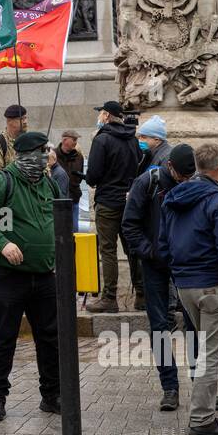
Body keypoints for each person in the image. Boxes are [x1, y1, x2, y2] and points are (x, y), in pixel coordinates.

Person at [0, 131, 59, 422]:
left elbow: (60, 216)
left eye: (47, 151)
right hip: (10, 276)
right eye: (41, 151)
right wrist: (1, 243)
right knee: (5, 336)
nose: (46, 157)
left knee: (49, 337)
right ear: (26, 155)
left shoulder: (49, 183)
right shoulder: (1, 182)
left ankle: (52, 394)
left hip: (45, 274)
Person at [158, 143, 218, 435]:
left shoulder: (173, 196)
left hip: (185, 285)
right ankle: (202, 419)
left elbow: (163, 244)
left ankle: (202, 411)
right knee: (209, 355)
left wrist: (179, 272)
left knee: (204, 351)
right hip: (214, 284)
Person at [123, 144, 197, 411]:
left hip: (186, 263)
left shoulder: (193, 181)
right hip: (154, 264)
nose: (185, 181)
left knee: (194, 323)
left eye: (190, 177)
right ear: (170, 167)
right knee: (159, 326)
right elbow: (129, 224)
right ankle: (170, 387)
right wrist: (149, 252)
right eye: (181, 176)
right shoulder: (148, 182)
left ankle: (201, 385)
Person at [85, 100, 143, 313]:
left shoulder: (102, 139)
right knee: (131, 248)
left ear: (107, 115)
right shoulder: (132, 139)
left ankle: (109, 297)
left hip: (108, 202)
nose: (99, 116)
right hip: (128, 201)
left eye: (101, 113)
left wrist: (91, 178)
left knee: (107, 249)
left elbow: (93, 175)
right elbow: (138, 165)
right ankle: (142, 295)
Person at [54, 130, 84, 232]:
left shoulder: (79, 157)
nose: (76, 142)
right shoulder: (53, 156)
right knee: (58, 231)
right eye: (74, 140)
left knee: (74, 230)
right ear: (64, 140)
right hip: (57, 202)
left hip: (74, 200)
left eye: (77, 140)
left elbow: (79, 178)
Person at [0, 104, 26, 174]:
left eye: (25, 118)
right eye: (21, 119)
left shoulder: (29, 141)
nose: (25, 122)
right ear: (9, 121)